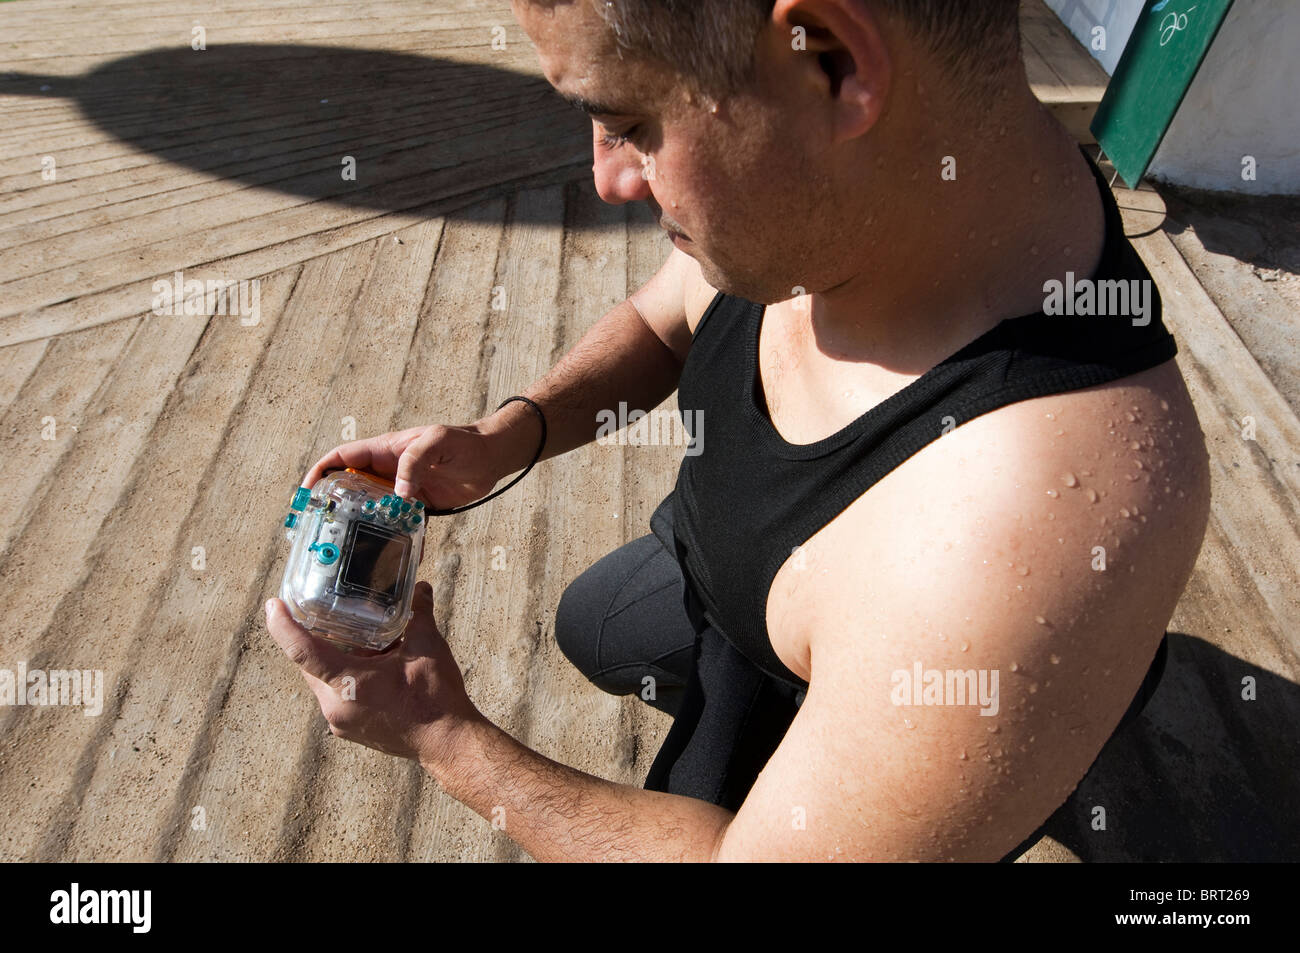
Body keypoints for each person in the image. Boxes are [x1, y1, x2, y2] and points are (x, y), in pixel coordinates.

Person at [266, 0, 1211, 861]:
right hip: (734, 591)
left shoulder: (1019, 527)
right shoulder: (840, 198)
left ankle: (973, 756)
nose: (607, 178)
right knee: (593, 625)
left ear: (830, 60)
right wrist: (508, 436)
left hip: (933, 664)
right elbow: (667, 319)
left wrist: (442, 735)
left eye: (630, 123)